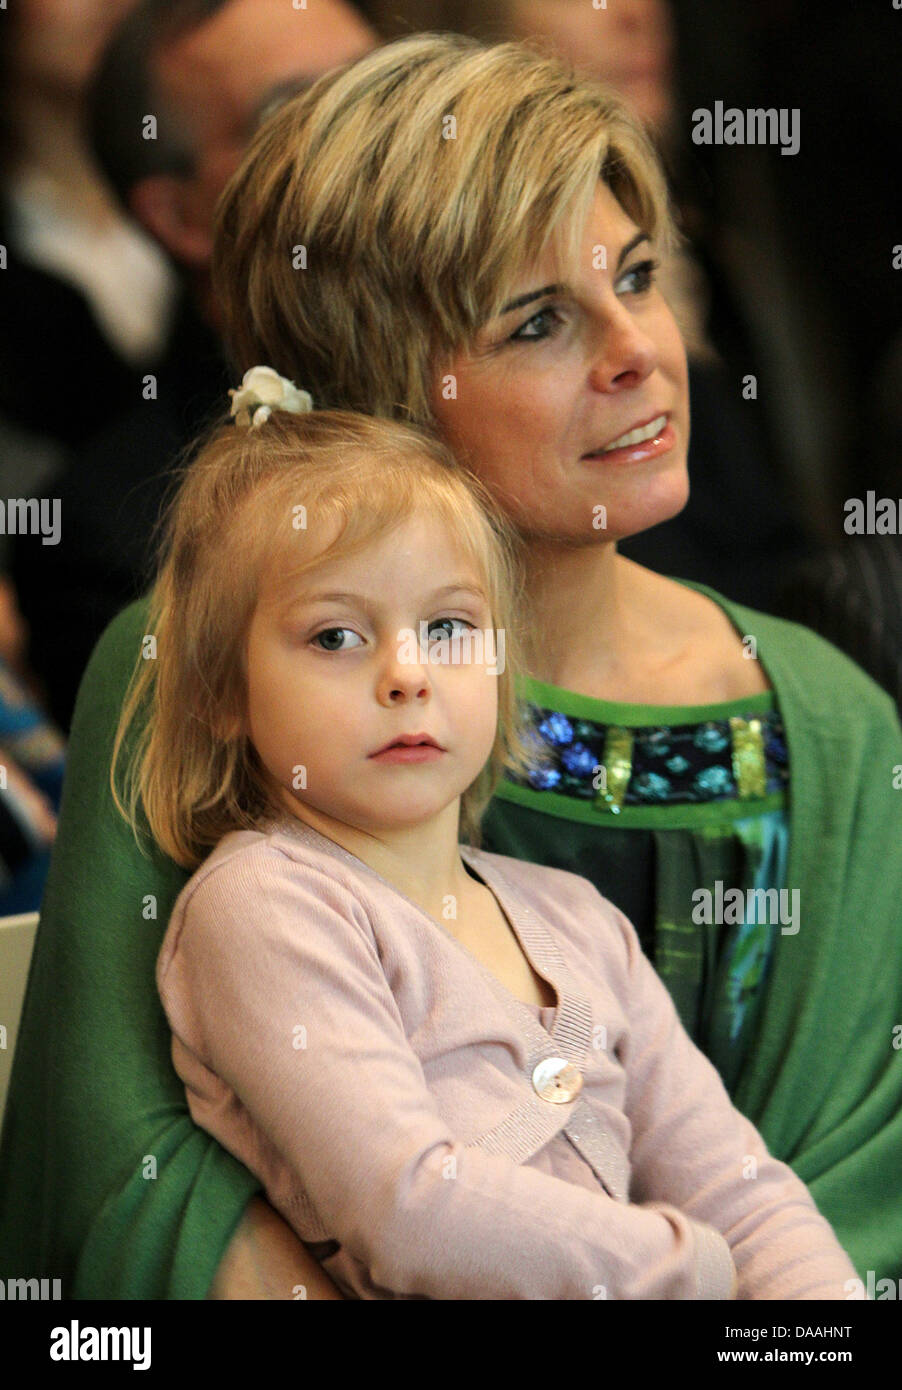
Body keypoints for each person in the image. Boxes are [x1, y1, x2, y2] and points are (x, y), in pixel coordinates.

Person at [1, 34, 899, 1300]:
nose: (636, 348)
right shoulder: (197, 663)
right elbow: (125, 1168)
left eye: (635, 276)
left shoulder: (830, 721)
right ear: (382, 388)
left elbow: (847, 1199)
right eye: (537, 320)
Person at [111, 380, 857, 1299]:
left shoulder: (578, 920)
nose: (407, 674)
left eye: (450, 626)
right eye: (337, 635)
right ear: (223, 694)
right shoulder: (269, 904)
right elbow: (411, 1212)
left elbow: (742, 1194)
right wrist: (692, 1271)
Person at [11, 0, 378, 731]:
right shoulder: (125, 537)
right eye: (302, 112)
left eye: (386, 84)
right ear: (180, 216)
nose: (383, 136)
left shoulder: (610, 387)